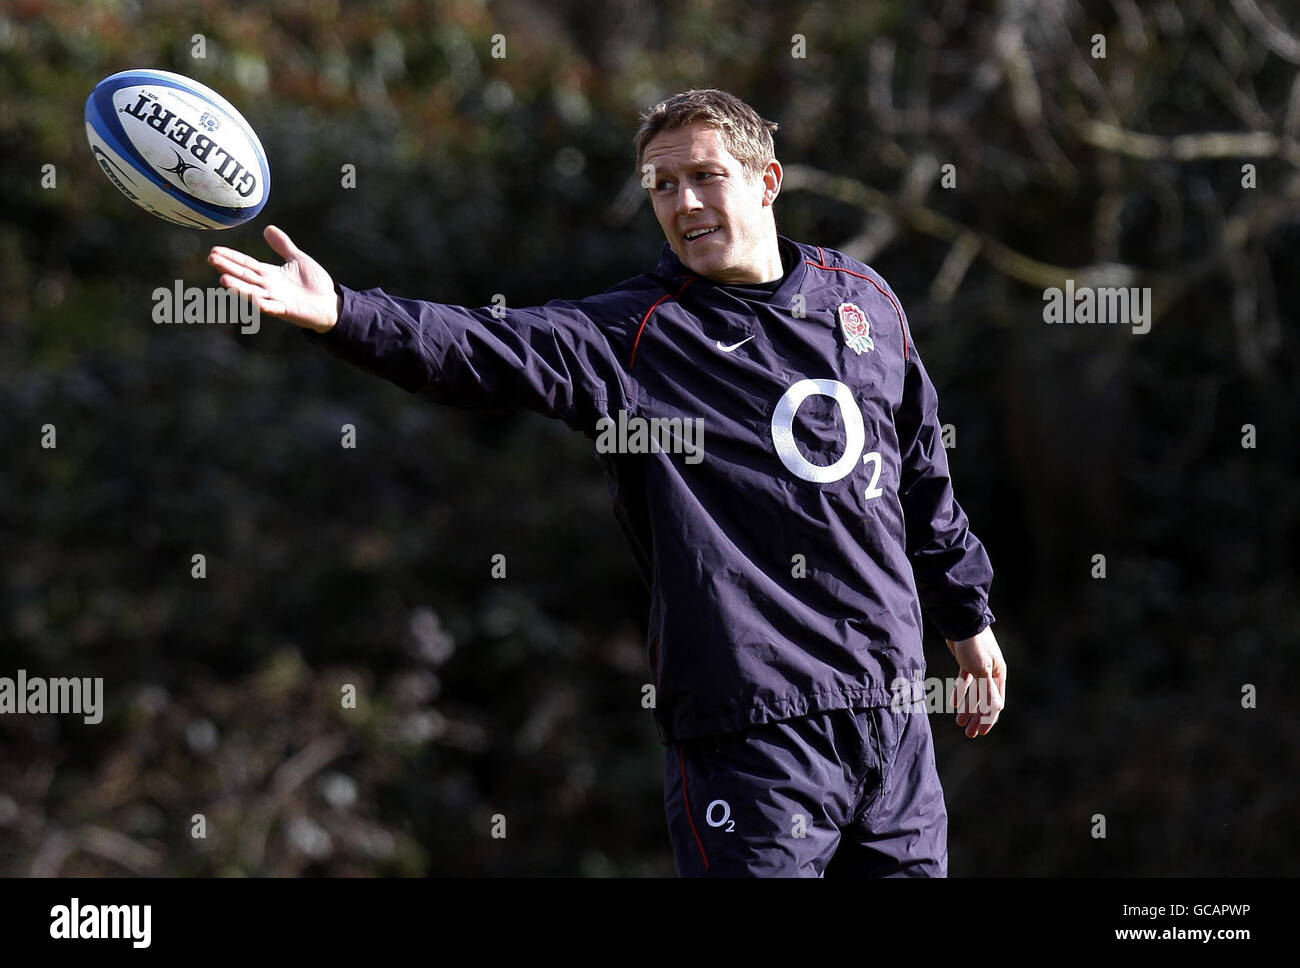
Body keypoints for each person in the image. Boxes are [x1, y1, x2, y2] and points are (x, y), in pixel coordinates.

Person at [208, 88, 1006, 877]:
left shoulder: (863, 303)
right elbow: (485, 349)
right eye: (661, 187)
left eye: (704, 177)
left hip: (893, 720)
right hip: (753, 732)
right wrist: (345, 313)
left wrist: (966, 621)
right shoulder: (633, 335)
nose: (682, 202)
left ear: (767, 182)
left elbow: (919, 479)